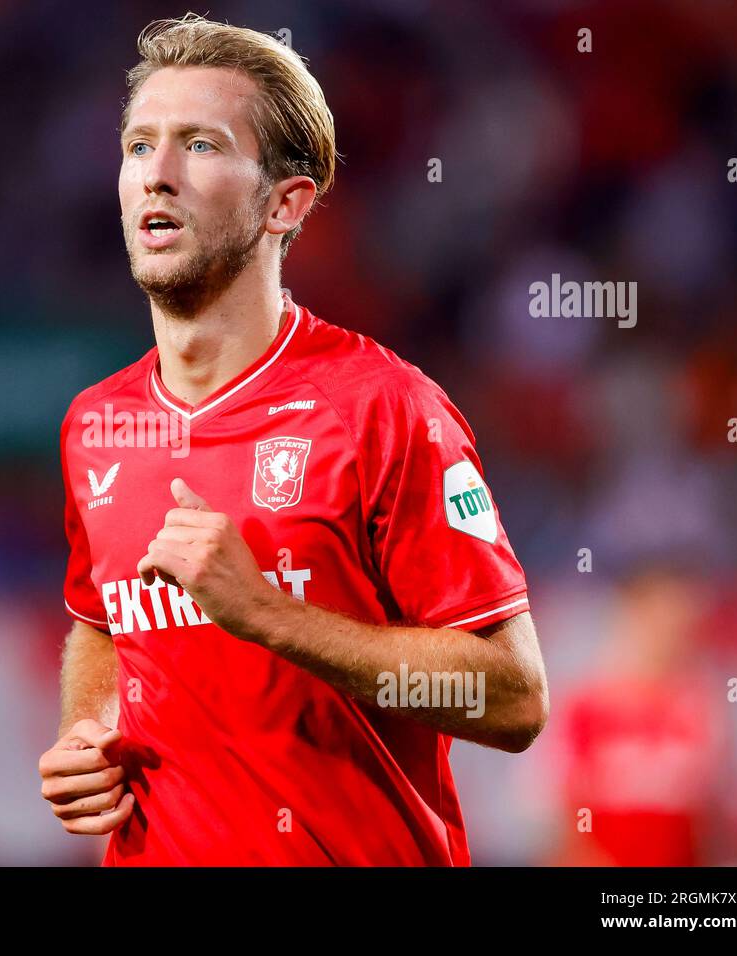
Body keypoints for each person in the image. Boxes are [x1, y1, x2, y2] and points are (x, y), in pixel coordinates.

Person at [39, 14, 548, 865]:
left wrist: (272, 616)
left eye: (200, 146)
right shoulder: (96, 423)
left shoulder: (383, 409)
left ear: (286, 202)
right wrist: (89, 727)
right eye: (138, 147)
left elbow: (513, 701)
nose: (157, 175)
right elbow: (101, 624)